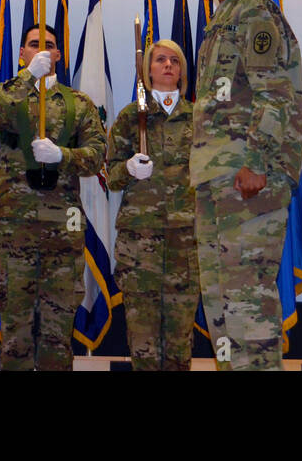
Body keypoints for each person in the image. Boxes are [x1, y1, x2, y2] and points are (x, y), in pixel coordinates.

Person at [189, 0, 302, 371]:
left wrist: (256, 163)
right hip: (217, 181)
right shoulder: (221, 19)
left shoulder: (254, 14)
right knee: (222, 309)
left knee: (247, 305)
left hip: (248, 181)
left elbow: (274, 93)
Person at [0, 23, 107, 371]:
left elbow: (97, 155)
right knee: (15, 340)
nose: (42, 49)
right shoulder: (5, 93)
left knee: (56, 342)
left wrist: (63, 156)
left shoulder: (79, 104)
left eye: (49, 45)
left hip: (62, 235)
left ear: (58, 55)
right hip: (14, 233)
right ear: (22, 53)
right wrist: (26, 78)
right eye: (33, 44)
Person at [106, 38, 198, 371]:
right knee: (143, 343)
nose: (168, 66)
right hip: (140, 244)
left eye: (175, 61)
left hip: (185, 243)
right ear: (148, 70)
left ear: (182, 71)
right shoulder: (133, 117)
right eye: (160, 60)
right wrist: (128, 168)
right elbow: (111, 174)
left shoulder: (198, 118)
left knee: (179, 344)